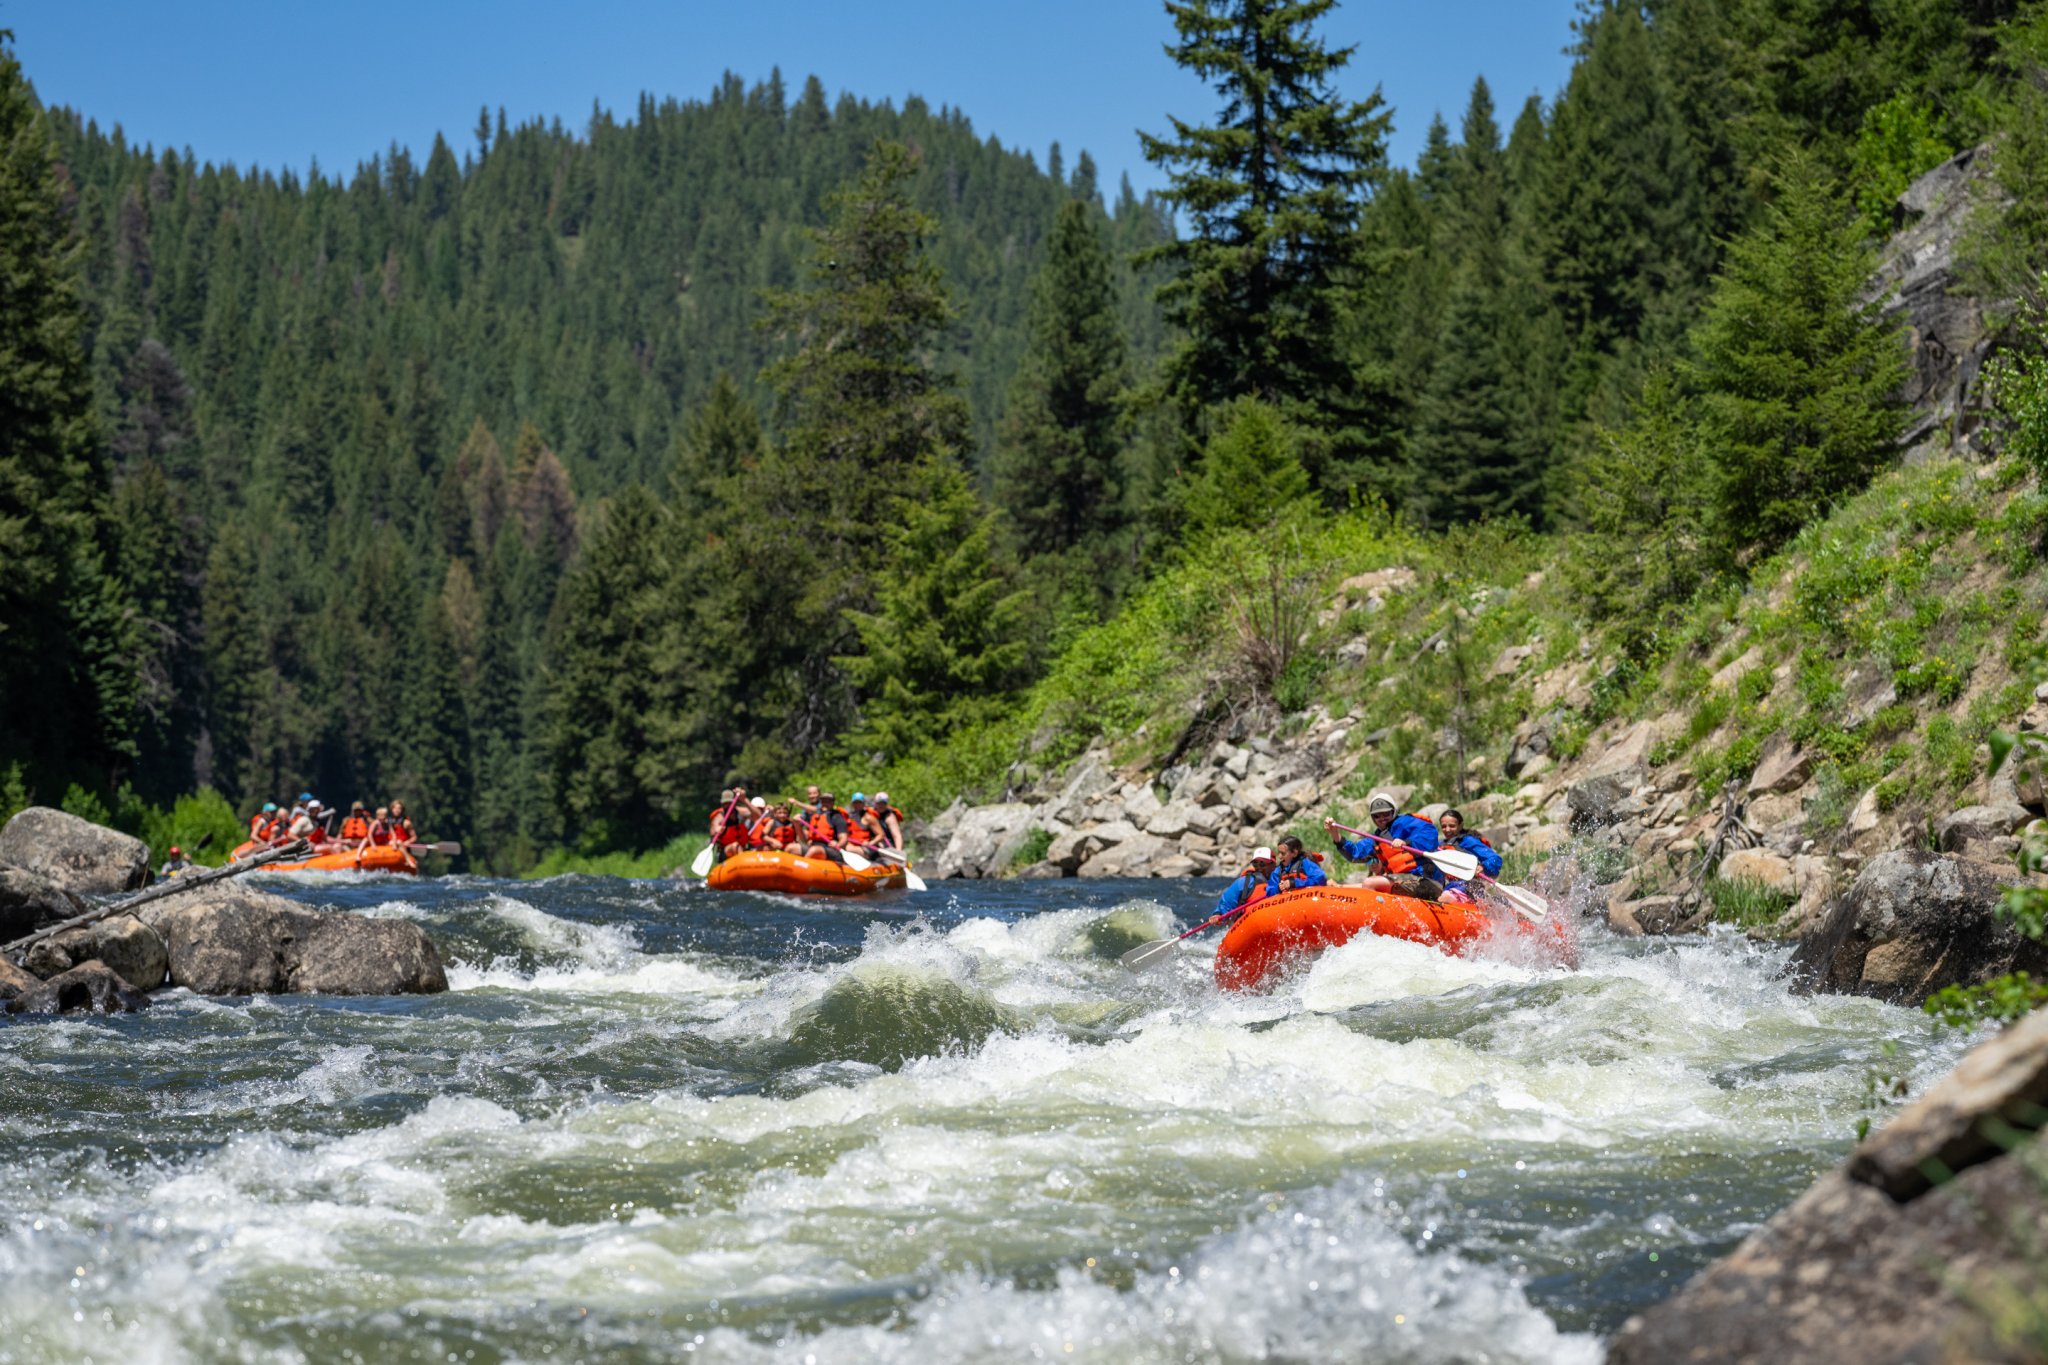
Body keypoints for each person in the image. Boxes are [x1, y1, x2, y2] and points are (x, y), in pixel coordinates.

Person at [1327, 792, 1443, 901]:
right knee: (1369, 883)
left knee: (1370, 883)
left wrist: (1406, 842)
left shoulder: (1405, 822)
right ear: (1373, 818)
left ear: (1393, 811)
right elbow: (1354, 853)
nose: (1382, 818)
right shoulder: (1377, 838)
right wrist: (1335, 834)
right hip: (1406, 882)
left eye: (1386, 814)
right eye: (1377, 816)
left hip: (1427, 881)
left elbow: (1429, 833)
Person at [1436, 808, 1503, 903]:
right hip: (1448, 886)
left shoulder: (1468, 841)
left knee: (1445, 898)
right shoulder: (1439, 845)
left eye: (1452, 826)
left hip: (1469, 887)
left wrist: (1483, 867)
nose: (1447, 830)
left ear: (1460, 825)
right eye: (1444, 826)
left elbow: (1495, 859)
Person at [1214, 847, 1277, 918]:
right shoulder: (1244, 882)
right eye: (1255, 864)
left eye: (1262, 864)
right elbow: (1227, 901)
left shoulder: (1282, 879)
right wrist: (1218, 914)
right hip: (1249, 920)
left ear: (1273, 864)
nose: (1259, 867)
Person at [1264, 836, 1329, 897]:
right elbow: (1269, 891)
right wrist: (1278, 888)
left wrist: (1295, 883)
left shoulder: (1305, 863)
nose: (1279, 856)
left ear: (1294, 853)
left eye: (1283, 853)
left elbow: (1321, 879)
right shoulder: (1277, 871)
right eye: (1279, 853)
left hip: (1305, 899)